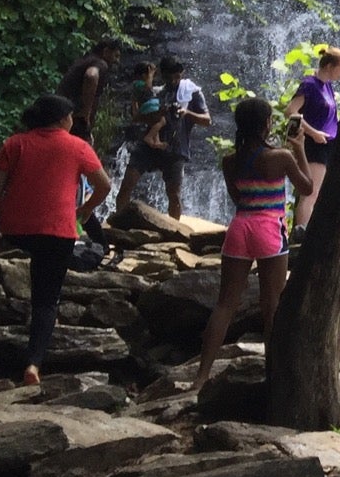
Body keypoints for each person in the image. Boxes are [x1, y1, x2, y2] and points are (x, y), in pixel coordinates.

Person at [0, 95, 112, 386]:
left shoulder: (14, 143)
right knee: (46, 300)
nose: (73, 120)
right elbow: (104, 185)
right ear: (62, 119)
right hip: (57, 232)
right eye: (71, 116)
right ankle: (33, 365)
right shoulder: (78, 146)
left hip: (16, 230)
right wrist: (86, 210)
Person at [190, 96, 310, 391]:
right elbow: (306, 187)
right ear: (266, 124)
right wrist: (300, 149)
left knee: (224, 305)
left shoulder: (230, 160)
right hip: (269, 228)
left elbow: (237, 199)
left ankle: (201, 377)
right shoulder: (279, 156)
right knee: (272, 306)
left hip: (240, 227)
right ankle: (273, 375)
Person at [116, 56, 210, 219]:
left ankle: (174, 231)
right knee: (126, 185)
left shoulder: (193, 93)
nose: (173, 80)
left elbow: (207, 120)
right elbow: (138, 118)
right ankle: (118, 223)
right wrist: (157, 113)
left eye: (177, 76)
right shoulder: (156, 92)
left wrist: (187, 113)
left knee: (174, 194)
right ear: (162, 75)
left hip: (174, 148)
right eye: (169, 77)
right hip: (147, 146)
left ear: (182, 73)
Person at [285, 46, 340, 234]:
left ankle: (306, 231)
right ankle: (301, 233)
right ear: (329, 66)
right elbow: (291, 111)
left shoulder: (327, 85)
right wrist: (313, 133)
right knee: (310, 193)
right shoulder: (310, 84)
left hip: (327, 144)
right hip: (315, 145)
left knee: (317, 193)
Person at [56, 39, 120, 146]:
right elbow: (91, 75)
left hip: (62, 114)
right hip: (75, 117)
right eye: (116, 56)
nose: (117, 60)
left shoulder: (86, 60)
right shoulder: (100, 63)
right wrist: (86, 112)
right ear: (106, 52)